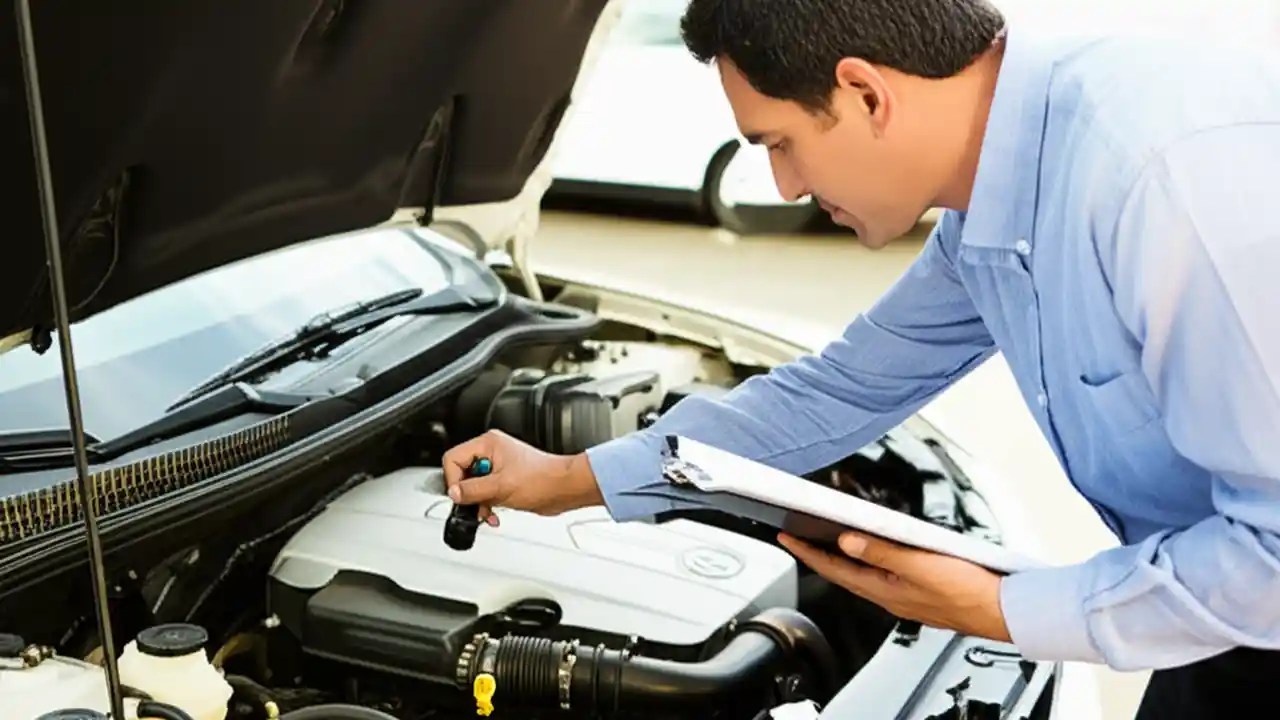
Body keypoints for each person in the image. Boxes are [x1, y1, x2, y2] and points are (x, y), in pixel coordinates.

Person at [441, 1, 1280, 716]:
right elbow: (835, 392)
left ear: (866, 93)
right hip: (1213, 627)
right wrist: (566, 479)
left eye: (777, 143)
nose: (784, 187)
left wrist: (1001, 608)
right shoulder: (993, 212)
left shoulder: (1162, 183)